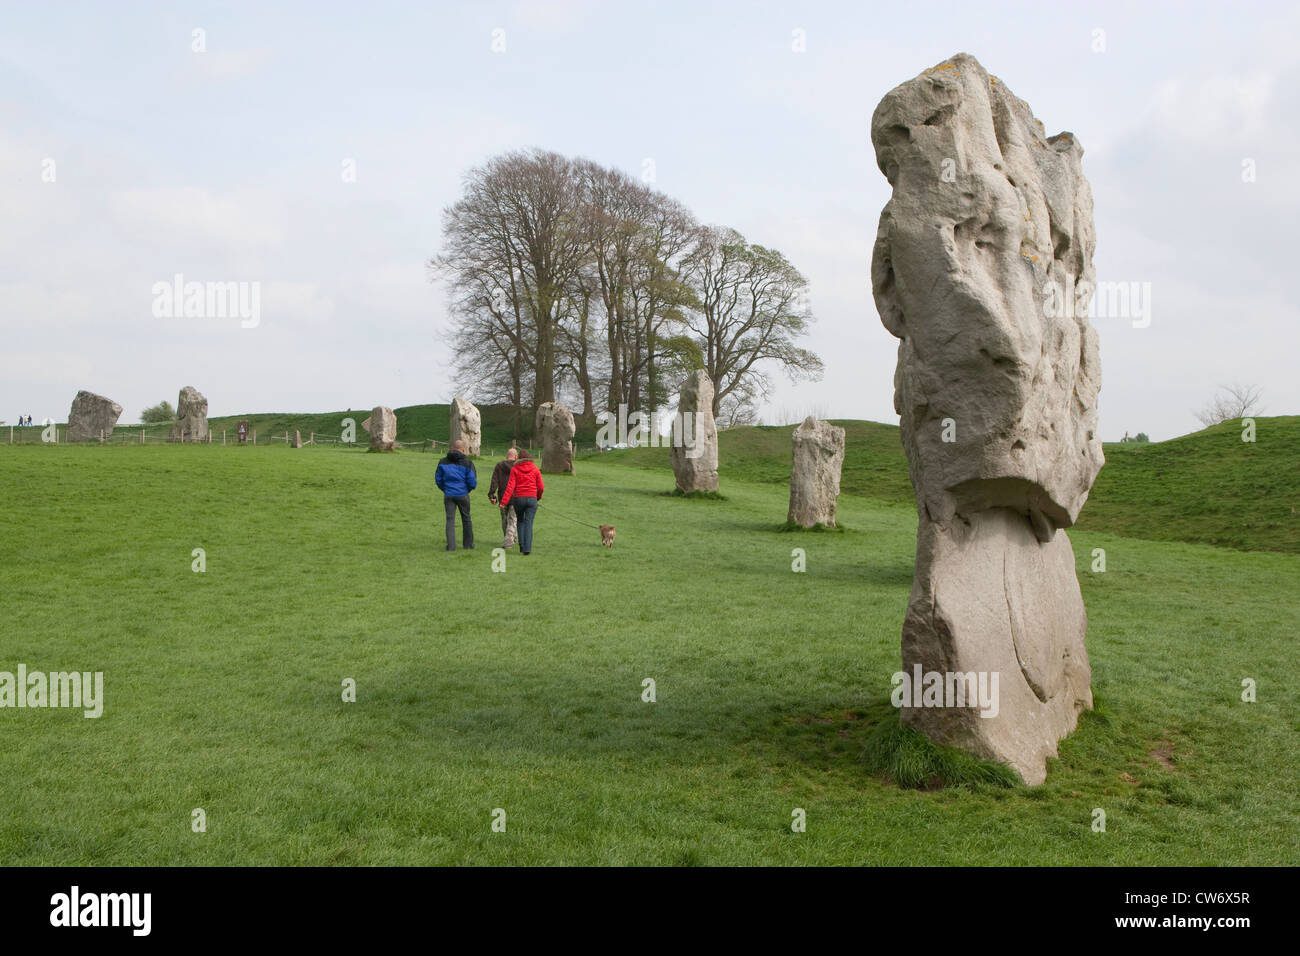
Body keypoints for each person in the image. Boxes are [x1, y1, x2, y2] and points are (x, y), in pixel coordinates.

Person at [499, 449, 544, 556]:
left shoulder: (515, 469)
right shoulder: (535, 469)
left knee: (520, 521)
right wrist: (538, 497)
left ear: (518, 458)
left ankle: (522, 545)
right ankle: (527, 548)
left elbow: (510, 487)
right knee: (528, 523)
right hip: (532, 499)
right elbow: (541, 487)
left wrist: (503, 502)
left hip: (519, 499)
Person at [435, 439, 477, 551]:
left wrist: (445, 489)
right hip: (463, 494)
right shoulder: (468, 463)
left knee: (450, 520)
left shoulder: (443, 461)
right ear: (463, 449)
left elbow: (438, 479)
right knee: (466, 519)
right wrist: (467, 490)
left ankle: (451, 546)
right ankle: (468, 545)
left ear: (452, 448)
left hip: (448, 494)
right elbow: (472, 481)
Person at [488, 447, 519, 549]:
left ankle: (508, 538)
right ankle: (509, 539)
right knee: (512, 519)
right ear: (516, 457)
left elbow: (494, 481)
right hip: (515, 497)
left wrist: (492, 495)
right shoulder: (517, 467)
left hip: (502, 497)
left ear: (506, 456)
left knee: (504, 519)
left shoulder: (499, 466)